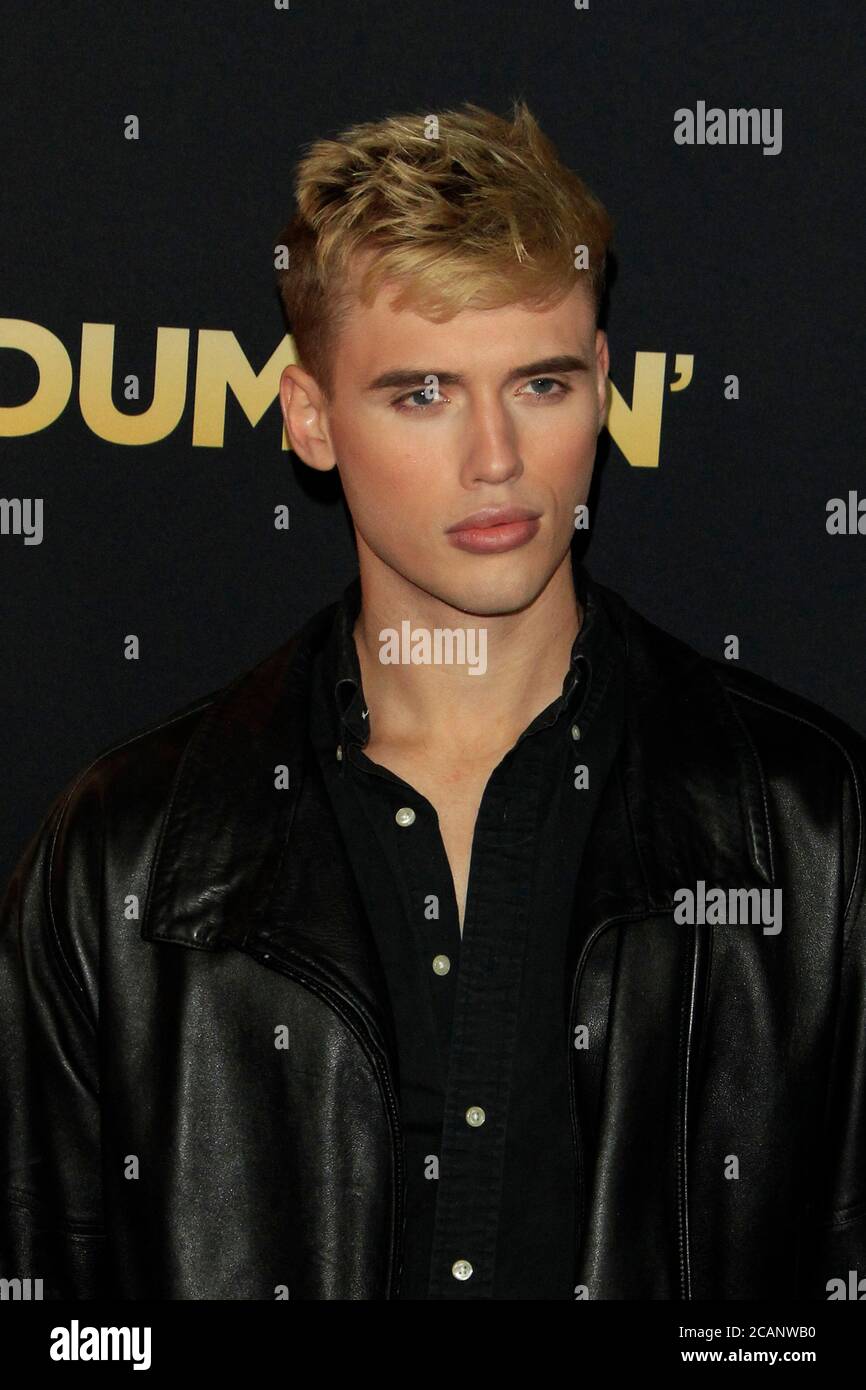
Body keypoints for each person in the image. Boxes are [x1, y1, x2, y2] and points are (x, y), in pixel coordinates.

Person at [1, 99, 864, 1302]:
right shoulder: (125, 855)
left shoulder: (811, 827)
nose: (495, 458)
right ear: (310, 418)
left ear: (603, 383)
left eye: (541, 383)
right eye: (421, 394)